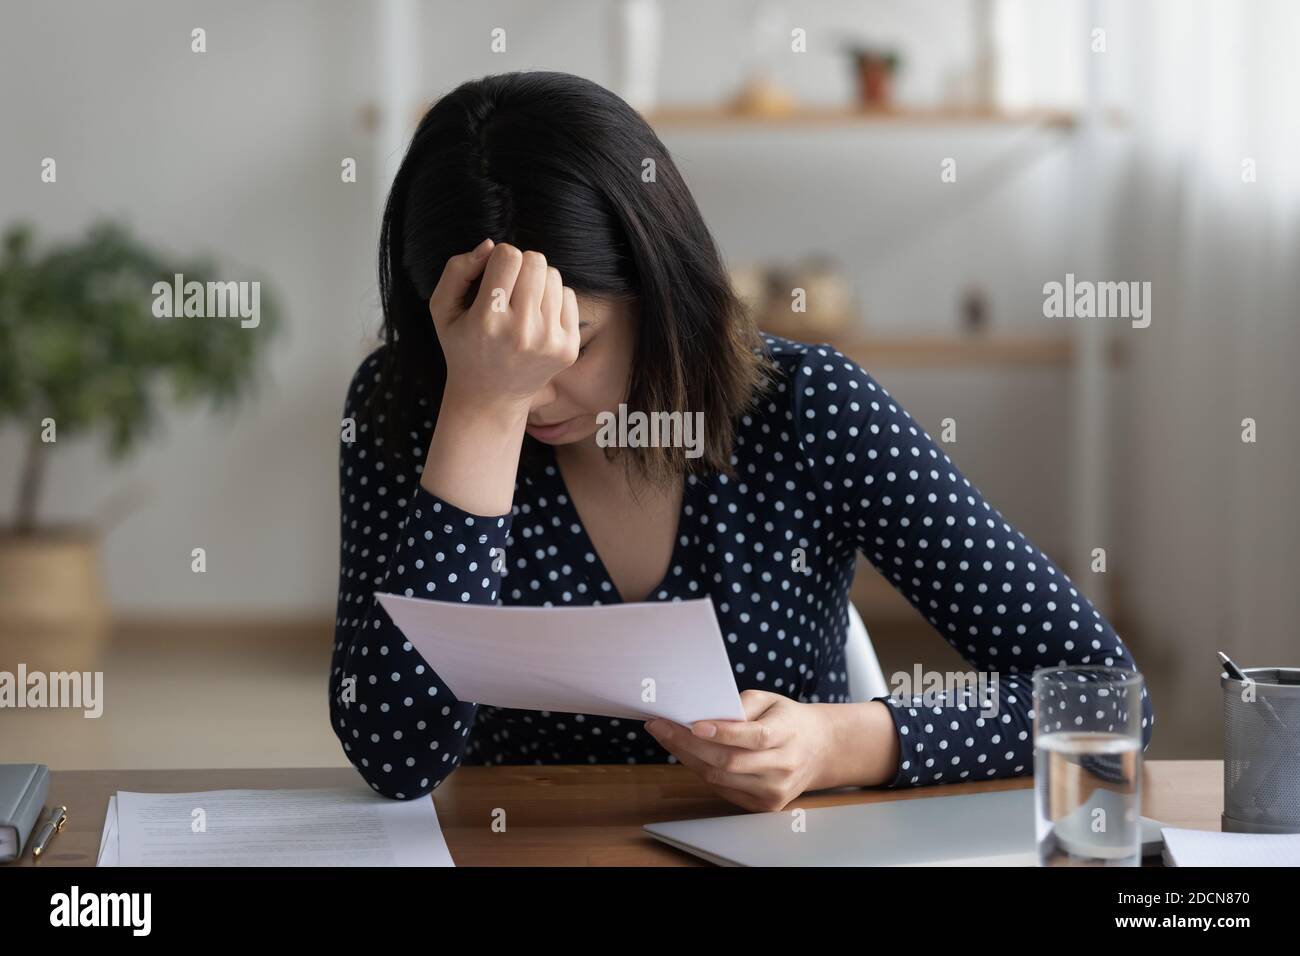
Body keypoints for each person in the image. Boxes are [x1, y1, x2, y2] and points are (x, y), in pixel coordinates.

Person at [329, 71, 1152, 811]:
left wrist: (839, 744)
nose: (530, 386)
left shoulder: (807, 408)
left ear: (659, 290)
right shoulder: (403, 408)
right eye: (480, 346)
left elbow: (1108, 698)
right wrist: (478, 411)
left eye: (573, 341)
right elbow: (396, 757)